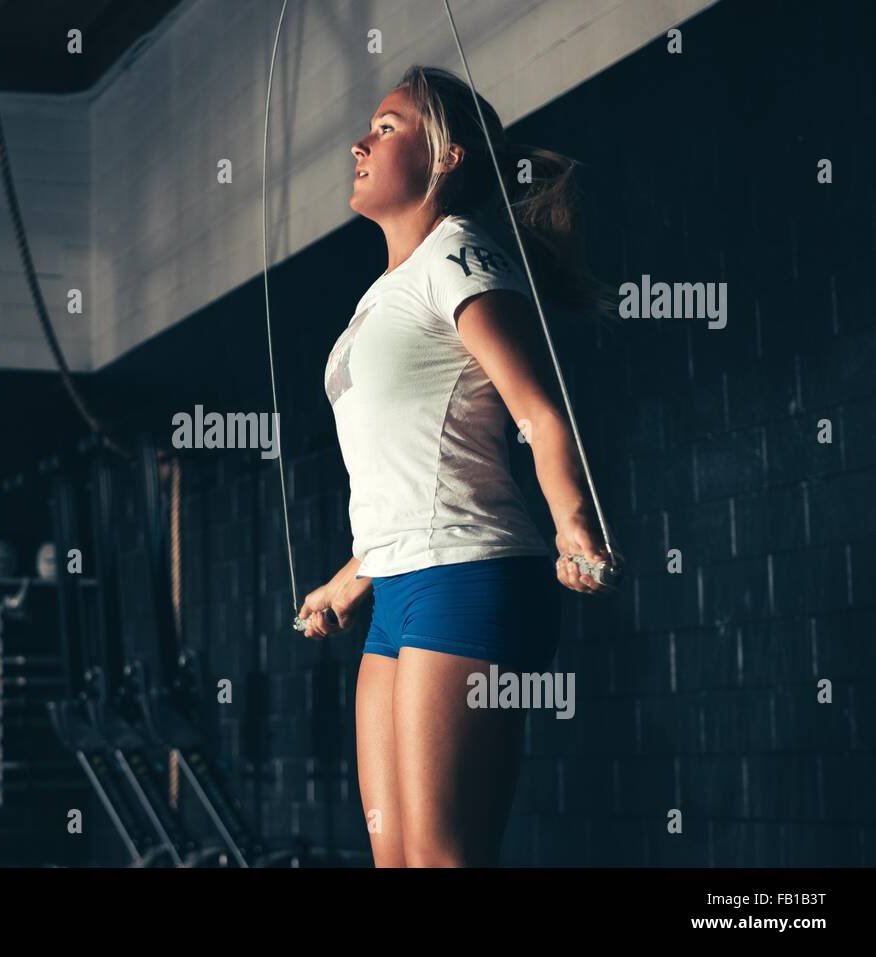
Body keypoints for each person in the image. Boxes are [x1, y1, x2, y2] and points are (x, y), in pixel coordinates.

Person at [298, 65, 621, 867]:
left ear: (446, 156)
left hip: (471, 577)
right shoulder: (382, 294)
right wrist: (351, 576)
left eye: (387, 125)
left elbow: (540, 409)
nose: (359, 142)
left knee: (445, 861)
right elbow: (412, 472)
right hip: (400, 588)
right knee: (398, 861)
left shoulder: (460, 255)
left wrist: (575, 526)